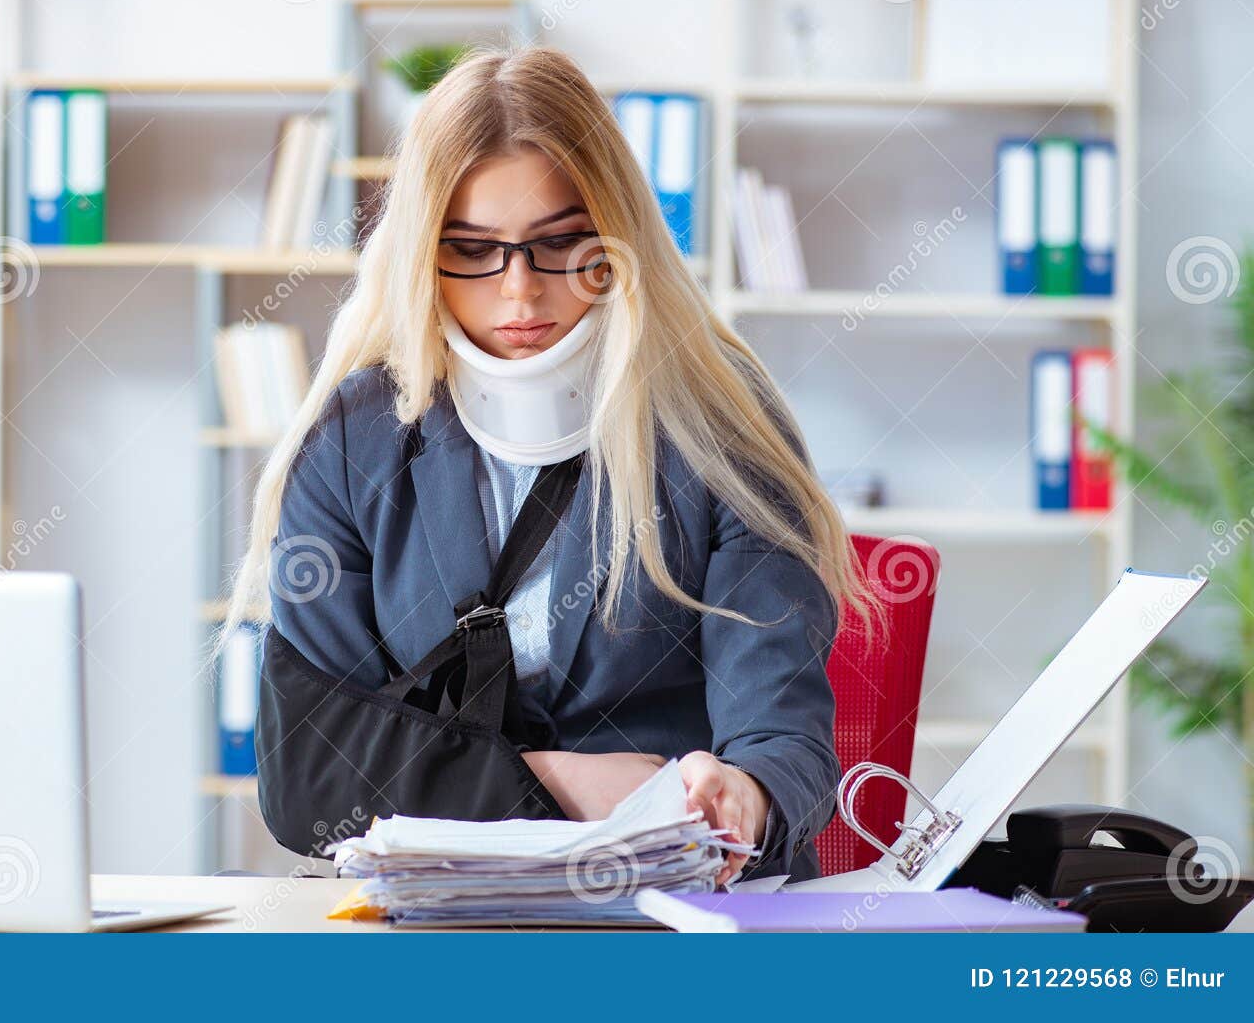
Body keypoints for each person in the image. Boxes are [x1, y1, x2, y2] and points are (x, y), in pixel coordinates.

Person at [226, 44, 879, 883]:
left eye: (558, 243)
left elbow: (781, 729)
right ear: (421, 254)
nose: (520, 291)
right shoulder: (356, 439)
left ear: (617, 239)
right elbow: (310, 776)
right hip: (437, 917)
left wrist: (743, 796)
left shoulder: (721, 424)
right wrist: (555, 781)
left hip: (672, 904)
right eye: (472, 248)